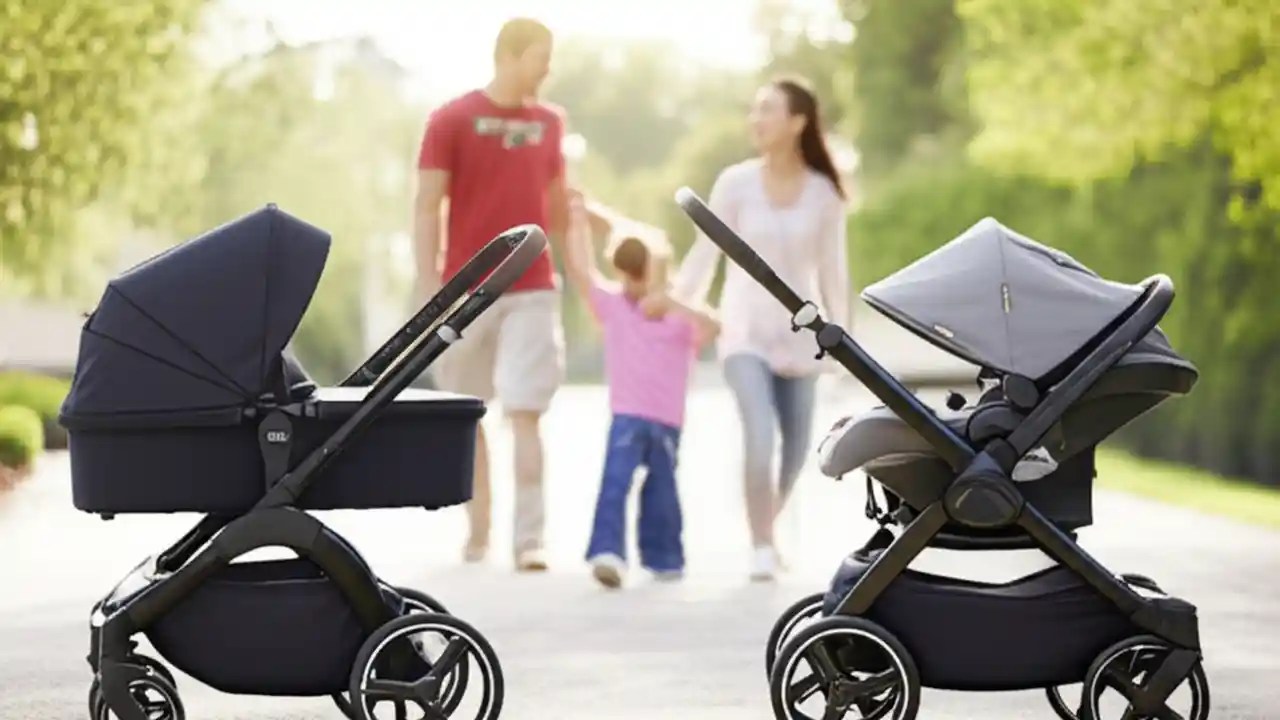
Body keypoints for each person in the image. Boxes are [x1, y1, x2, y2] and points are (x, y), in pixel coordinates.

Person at [671, 75, 851, 582]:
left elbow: (834, 271)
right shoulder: (735, 183)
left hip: (802, 336)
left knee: (794, 451)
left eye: (768, 109)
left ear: (797, 122)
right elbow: (706, 251)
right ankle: (762, 544)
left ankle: (769, 525)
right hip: (744, 330)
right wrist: (678, 304)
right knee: (760, 433)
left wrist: (842, 339)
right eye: (754, 109)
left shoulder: (824, 193)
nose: (756, 119)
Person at [413, 17, 570, 572]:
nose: (548, 68)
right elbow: (426, 205)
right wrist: (429, 289)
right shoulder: (450, 119)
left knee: (526, 412)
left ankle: (529, 540)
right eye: (541, 56)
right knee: (469, 413)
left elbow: (560, 207)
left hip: (533, 286)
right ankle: (478, 532)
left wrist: (583, 276)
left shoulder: (550, 123)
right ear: (510, 54)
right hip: (468, 290)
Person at [562, 191, 719, 589]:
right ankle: (607, 552)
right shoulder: (613, 307)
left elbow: (715, 326)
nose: (633, 283)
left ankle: (664, 557)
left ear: (657, 270)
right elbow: (580, 271)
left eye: (640, 274)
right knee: (615, 483)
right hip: (628, 415)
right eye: (627, 275)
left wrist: (674, 304)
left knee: (663, 490)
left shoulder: (680, 316)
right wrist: (578, 223)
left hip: (667, 419)